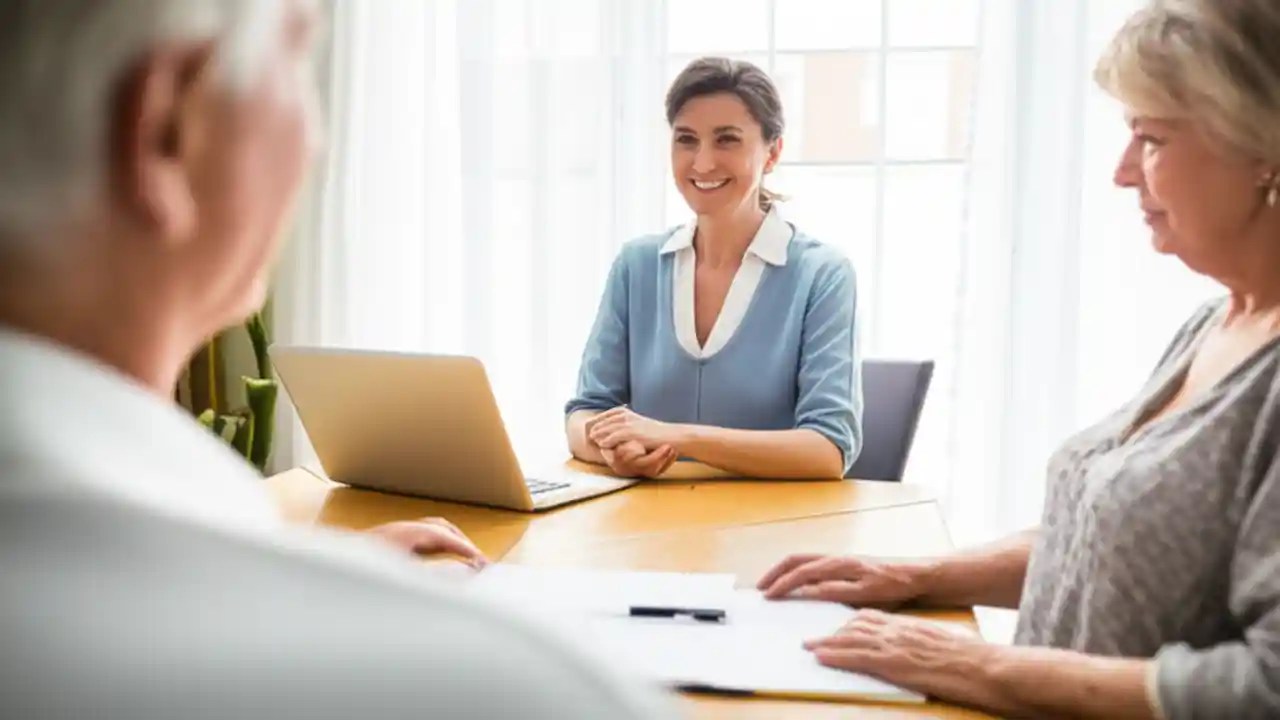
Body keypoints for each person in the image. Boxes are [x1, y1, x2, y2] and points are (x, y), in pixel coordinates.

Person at [0, 2, 668, 718]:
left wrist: (306, 570)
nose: (317, 145)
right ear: (167, 130)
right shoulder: (513, 690)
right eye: (296, 58)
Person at [757, 1, 1280, 717]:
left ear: (1264, 149)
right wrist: (916, 575)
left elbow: (1264, 689)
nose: (1124, 174)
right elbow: (1113, 541)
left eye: (1151, 138)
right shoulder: (1217, 322)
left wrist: (985, 668)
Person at [565, 58, 862, 480]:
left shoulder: (822, 275)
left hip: (772, 529)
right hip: (646, 528)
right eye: (686, 140)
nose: (702, 163)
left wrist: (677, 438)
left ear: (772, 152)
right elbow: (585, 413)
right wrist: (610, 447)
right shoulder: (637, 266)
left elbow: (828, 450)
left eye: (727, 141)